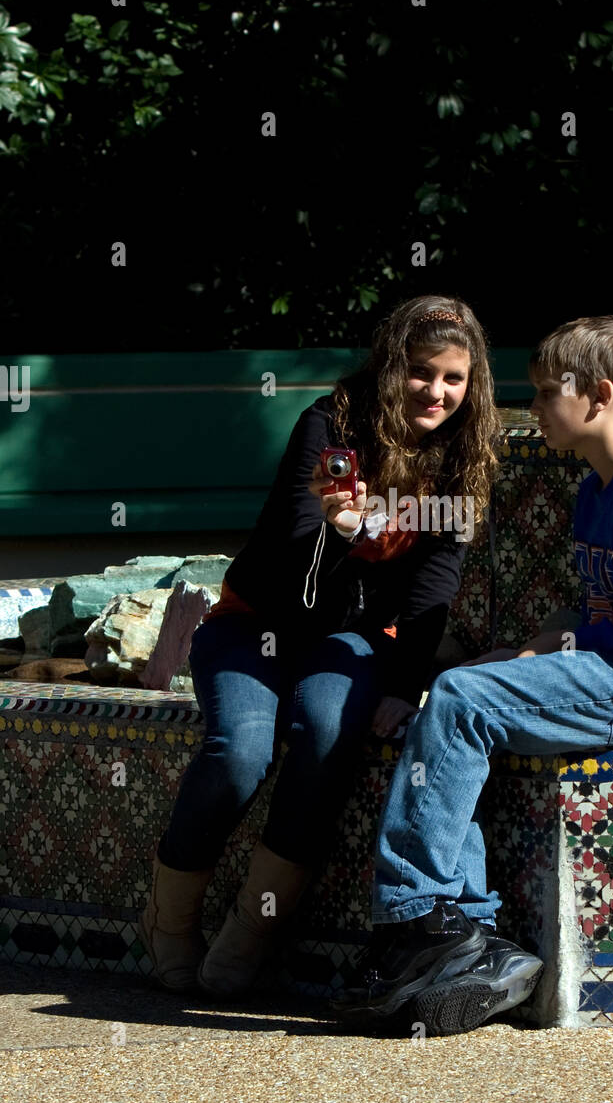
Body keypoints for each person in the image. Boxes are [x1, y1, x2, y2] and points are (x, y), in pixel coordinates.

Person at [332, 315, 613, 1035]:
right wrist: (532, 646)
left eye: (543, 392)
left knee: (462, 698)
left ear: (598, 395)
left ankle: (418, 914)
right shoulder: (596, 488)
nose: (531, 408)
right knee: (458, 693)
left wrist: (566, 646)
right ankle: (463, 932)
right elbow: (604, 607)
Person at [139, 294, 504, 1000]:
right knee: (240, 749)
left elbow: (435, 582)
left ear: (472, 383)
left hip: (354, 637)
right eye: (420, 372)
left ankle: (254, 928)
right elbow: (290, 548)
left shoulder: (460, 452)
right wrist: (339, 533)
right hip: (257, 622)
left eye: (452, 379)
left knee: (328, 730)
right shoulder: (330, 426)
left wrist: (403, 683)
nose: (435, 391)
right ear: (391, 367)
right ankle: (168, 917)